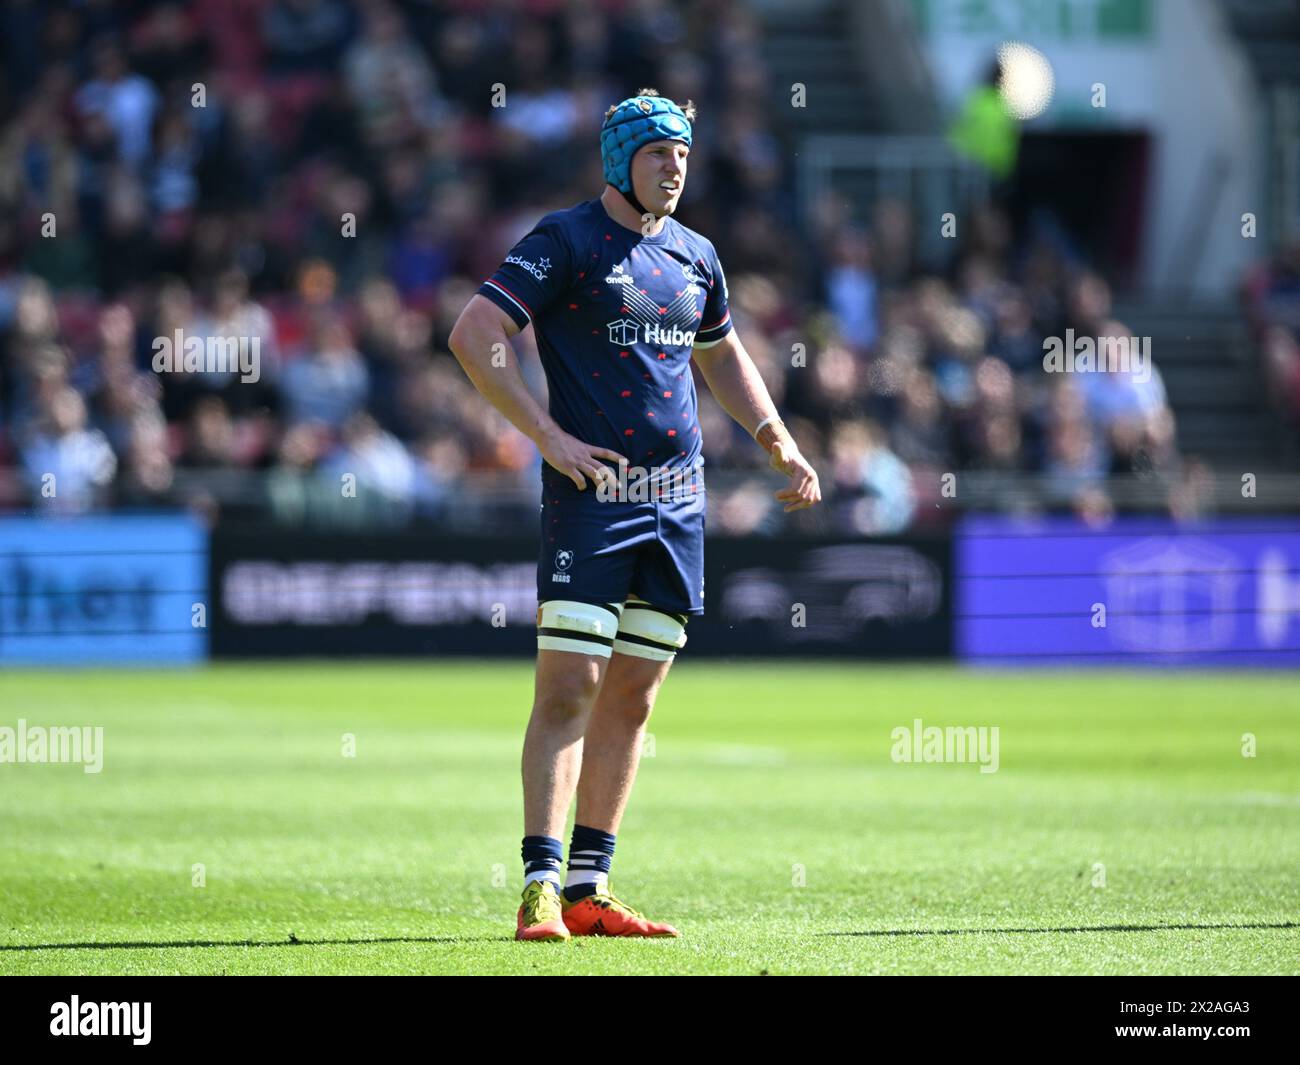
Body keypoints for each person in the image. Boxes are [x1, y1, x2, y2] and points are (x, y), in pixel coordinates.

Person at [448, 89, 820, 941]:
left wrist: (777, 441)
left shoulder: (697, 255)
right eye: (658, 153)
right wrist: (544, 435)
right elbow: (475, 333)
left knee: (635, 697)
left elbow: (722, 357)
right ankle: (540, 882)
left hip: (678, 504)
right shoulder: (566, 240)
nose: (675, 167)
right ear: (619, 162)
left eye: (684, 154)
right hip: (593, 504)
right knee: (571, 685)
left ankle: (590, 885)